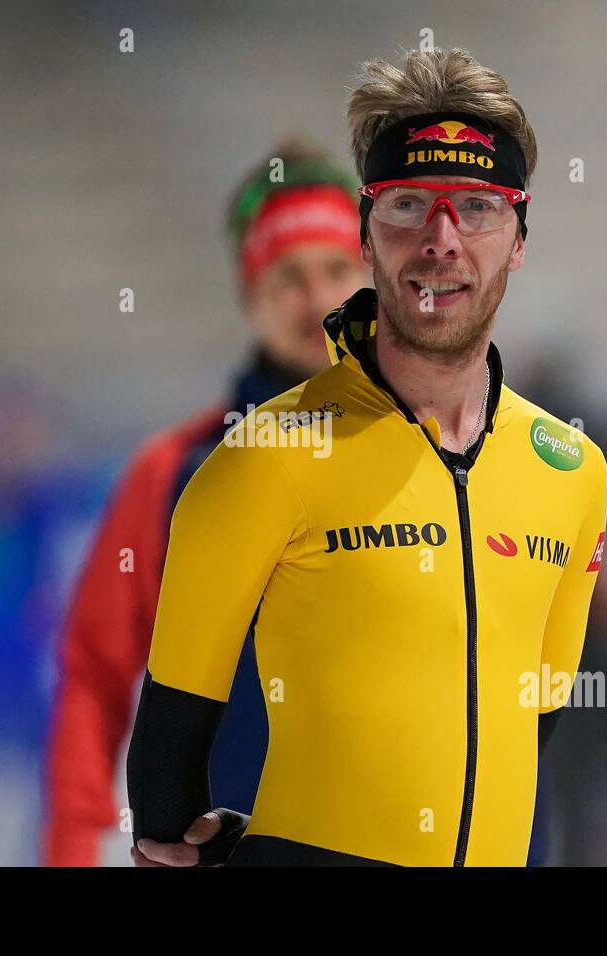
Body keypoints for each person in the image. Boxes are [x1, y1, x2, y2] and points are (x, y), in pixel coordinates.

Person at [127, 48, 607, 867]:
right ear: (365, 230)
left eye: (479, 208)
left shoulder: (571, 470)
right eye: (409, 204)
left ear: (519, 239)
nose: (441, 239)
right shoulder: (267, 456)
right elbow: (168, 753)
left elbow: (531, 727)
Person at [41, 138, 368, 866]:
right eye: (287, 277)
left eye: (337, 270)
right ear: (249, 293)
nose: (316, 301)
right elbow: (95, 675)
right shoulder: (175, 473)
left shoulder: (433, 457)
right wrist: (70, 845)